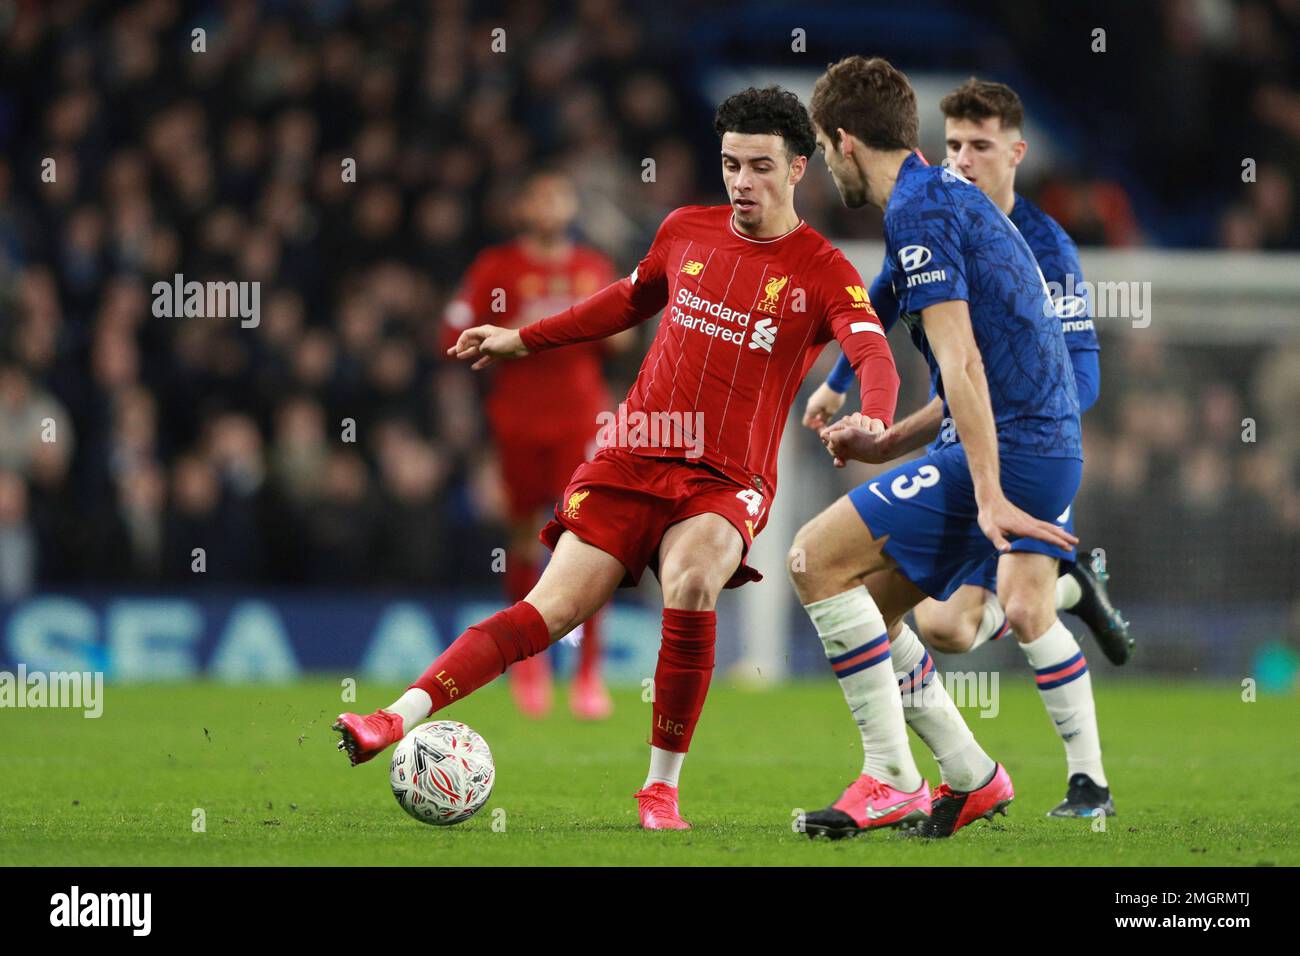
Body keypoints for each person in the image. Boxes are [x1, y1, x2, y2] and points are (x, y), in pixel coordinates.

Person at [335, 87, 901, 830]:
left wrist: (876, 420)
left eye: (760, 166)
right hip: (632, 453)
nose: (742, 182)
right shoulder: (685, 230)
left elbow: (871, 349)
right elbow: (623, 302)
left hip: (726, 476)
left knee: (692, 581)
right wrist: (521, 338)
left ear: (799, 168)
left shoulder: (823, 268)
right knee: (549, 608)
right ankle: (392, 717)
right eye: (731, 164)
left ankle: (660, 787)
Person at [803, 78, 1130, 818]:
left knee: (815, 560)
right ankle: (971, 775)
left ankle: (899, 778)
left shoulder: (945, 214)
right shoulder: (933, 200)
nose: (826, 165)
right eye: (958, 143)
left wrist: (989, 493)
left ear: (846, 142)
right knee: (888, 618)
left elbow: (968, 367)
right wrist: (879, 433)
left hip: (1015, 453)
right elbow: (921, 333)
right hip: (1013, 445)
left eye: (823, 149)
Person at [443, 169, 626, 720]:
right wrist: (508, 326)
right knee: (524, 539)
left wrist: (572, 325)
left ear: (570, 205)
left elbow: (626, 334)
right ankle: (529, 667)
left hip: (579, 422)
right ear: (524, 206)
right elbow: (451, 333)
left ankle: (589, 673)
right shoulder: (497, 268)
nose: (549, 206)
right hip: (518, 423)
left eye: (557, 195)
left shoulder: (592, 267)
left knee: (590, 540)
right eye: (539, 196)